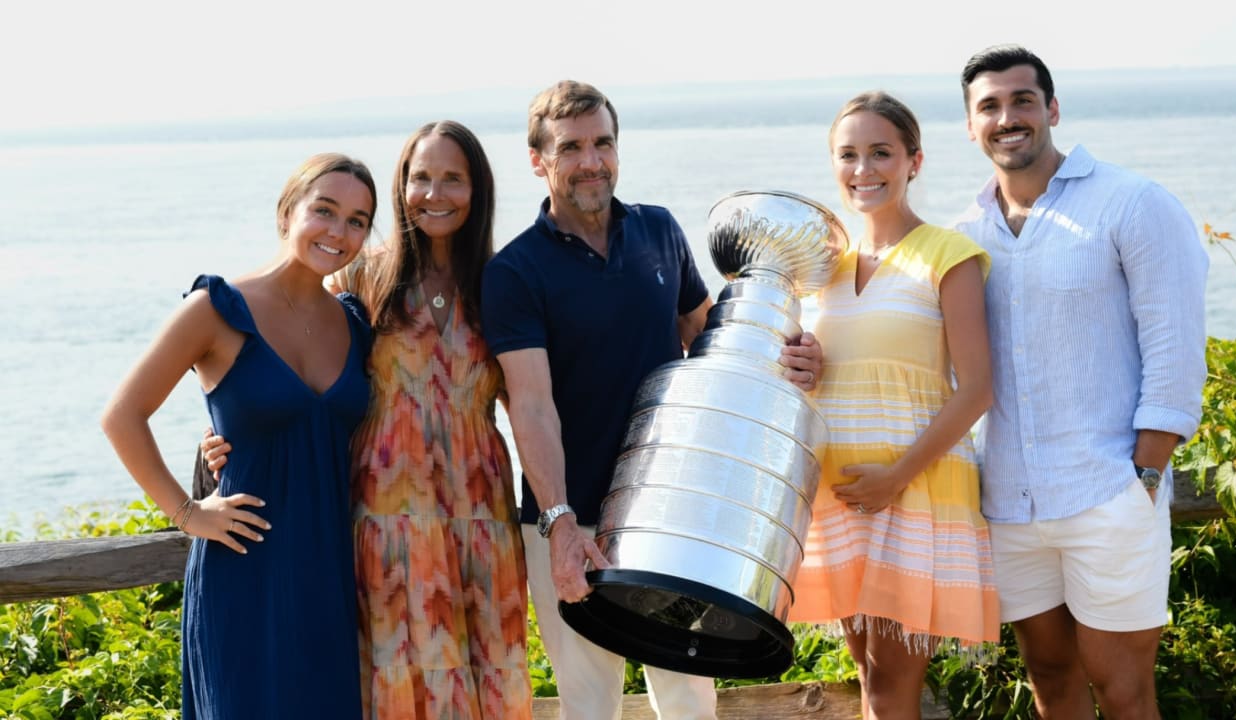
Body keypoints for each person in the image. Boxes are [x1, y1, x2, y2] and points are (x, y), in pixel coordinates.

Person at [480, 80, 821, 720]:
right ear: (538, 160)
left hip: (671, 520)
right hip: (571, 519)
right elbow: (530, 405)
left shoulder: (659, 231)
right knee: (588, 701)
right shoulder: (514, 271)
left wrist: (795, 354)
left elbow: (709, 340)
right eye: (571, 147)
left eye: (603, 143)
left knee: (689, 694)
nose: (591, 161)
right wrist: (556, 526)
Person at [202, 121, 532, 719]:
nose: (435, 193)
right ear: (401, 187)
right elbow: (288, 370)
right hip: (384, 522)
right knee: (392, 687)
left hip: (481, 521)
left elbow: (530, 405)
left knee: (489, 686)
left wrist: (559, 513)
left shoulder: (502, 283)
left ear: (477, 189)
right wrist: (219, 439)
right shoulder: (362, 278)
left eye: (452, 179)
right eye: (420, 177)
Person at [953, 45, 1208, 719]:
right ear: (970, 124)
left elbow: (1175, 352)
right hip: (1009, 503)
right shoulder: (966, 232)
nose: (1007, 117)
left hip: (1108, 496)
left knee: (1123, 694)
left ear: (1052, 109)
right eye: (989, 106)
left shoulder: (1132, 203)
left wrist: (1143, 480)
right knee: (1049, 682)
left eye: (1022, 101)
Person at [101, 152, 378, 718]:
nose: (339, 231)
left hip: (328, 574)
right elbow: (122, 415)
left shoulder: (354, 321)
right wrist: (187, 512)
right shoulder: (216, 308)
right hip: (243, 567)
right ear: (287, 212)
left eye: (357, 220)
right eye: (324, 210)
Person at [789, 91, 1000, 719]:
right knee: (866, 678)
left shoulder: (948, 255)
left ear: (914, 161)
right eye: (849, 154)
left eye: (881, 152)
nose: (864, 169)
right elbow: (823, 377)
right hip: (838, 497)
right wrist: (806, 367)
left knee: (889, 689)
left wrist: (896, 478)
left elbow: (978, 388)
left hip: (914, 495)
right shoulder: (822, 271)